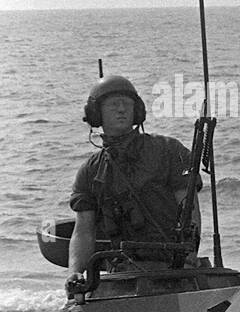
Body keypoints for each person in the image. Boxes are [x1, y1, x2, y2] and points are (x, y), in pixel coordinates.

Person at [68, 75, 200, 293]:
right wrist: (75, 272)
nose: (121, 110)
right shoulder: (91, 171)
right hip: (122, 273)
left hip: (171, 267)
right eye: (113, 104)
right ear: (96, 113)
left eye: (127, 104)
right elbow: (83, 230)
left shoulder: (167, 150)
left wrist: (189, 258)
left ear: (137, 111)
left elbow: (190, 210)